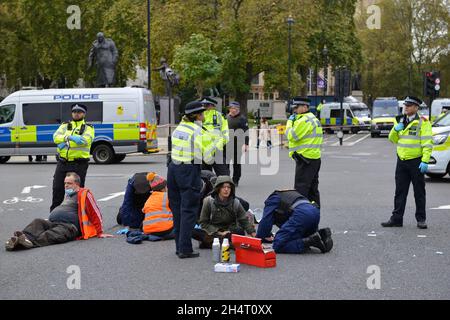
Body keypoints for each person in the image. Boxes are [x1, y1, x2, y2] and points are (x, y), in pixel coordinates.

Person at [5, 172, 111, 251]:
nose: (66, 185)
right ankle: (22, 238)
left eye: (69, 183)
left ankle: (27, 243)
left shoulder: (84, 194)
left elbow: (95, 211)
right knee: (38, 222)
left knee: (51, 234)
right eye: (65, 183)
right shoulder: (68, 194)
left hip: (69, 226)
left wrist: (100, 232)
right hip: (54, 222)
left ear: (77, 184)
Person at [167, 100, 216, 259]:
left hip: (173, 170)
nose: (203, 116)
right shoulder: (198, 131)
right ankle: (185, 249)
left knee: (177, 210)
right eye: (201, 114)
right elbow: (208, 159)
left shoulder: (179, 128)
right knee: (188, 210)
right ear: (196, 116)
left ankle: (178, 246)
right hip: (188, 170)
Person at [382, 96, 433, 229]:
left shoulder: (423, 122)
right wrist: (395, 129)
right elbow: (392, 139)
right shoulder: (399, 120)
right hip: (402, 161)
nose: (406, 107)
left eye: (409, 105)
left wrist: (425, 161)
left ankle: (421, 219)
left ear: (416, 108)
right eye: (405, 105)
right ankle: (397, 219)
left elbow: (427, 143)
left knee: (419, 192)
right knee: (400, 192)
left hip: (416, 162)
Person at [256, 190, 332, 254]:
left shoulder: (271, 201)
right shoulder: (286, 194)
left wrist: (259, 238)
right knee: (298, 236)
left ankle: (309, 242)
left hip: (301, 215)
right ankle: (320, 236)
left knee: (278, 245)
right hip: (314, 211)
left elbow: (265, 222)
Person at [51, 103, 94, 212]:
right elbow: (55, 137)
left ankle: (77, 216)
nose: (76, 114)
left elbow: (84, 141)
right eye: (74, 111)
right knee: (57, 189)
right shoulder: (65, 125)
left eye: (79, 112)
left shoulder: (88, 127)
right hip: (63, 162)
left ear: (84, 114)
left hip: (78, 164)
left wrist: (65, 143)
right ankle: (54, 215)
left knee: (77, 192)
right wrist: (69, 137)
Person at [193, 176, 256, 249]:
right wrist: (218, 232)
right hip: (213, 231)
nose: (226, 190)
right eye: (223, 187)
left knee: (239, 231)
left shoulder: (236, 202)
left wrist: (252, 233)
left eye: (228, 187)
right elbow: (203, 223)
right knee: (194, 231)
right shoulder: (208, 201)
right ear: (218, 189)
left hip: (229, 231)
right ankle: (225, 243)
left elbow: (243, 220)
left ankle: (213, 243)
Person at [286, 97, 323, 207]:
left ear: (305, 107)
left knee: (301, 191)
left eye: (297, 107)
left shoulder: (303, 120)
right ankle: (314, 216)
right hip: (314, 158)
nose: (295, 110)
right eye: (294, 107)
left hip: (305, 158)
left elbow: (291, 136)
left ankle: (302, 217)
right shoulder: (313, 118)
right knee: (312, 190)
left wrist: (289, 122)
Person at [200, 97, 230, 176]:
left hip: (217, 152)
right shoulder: (198, 117)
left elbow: (225, 135)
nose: (204, 107)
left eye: (207, 105)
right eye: (203, 105)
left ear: (213, 106)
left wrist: (215, 147)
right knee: (204, 178)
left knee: (224, 177)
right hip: (202, 153)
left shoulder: (220, 116)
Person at [226, 101, 249, 187]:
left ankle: (236, 180)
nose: (233, 110)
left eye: (235, 108)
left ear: (238, 109)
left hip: (237, 144)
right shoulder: (226, 117)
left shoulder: (242, 118)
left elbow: (246, 132)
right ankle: (226, 179)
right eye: (232, 108)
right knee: (225, 163)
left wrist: (246, 144)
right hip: (227, 144)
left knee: (236, 163)